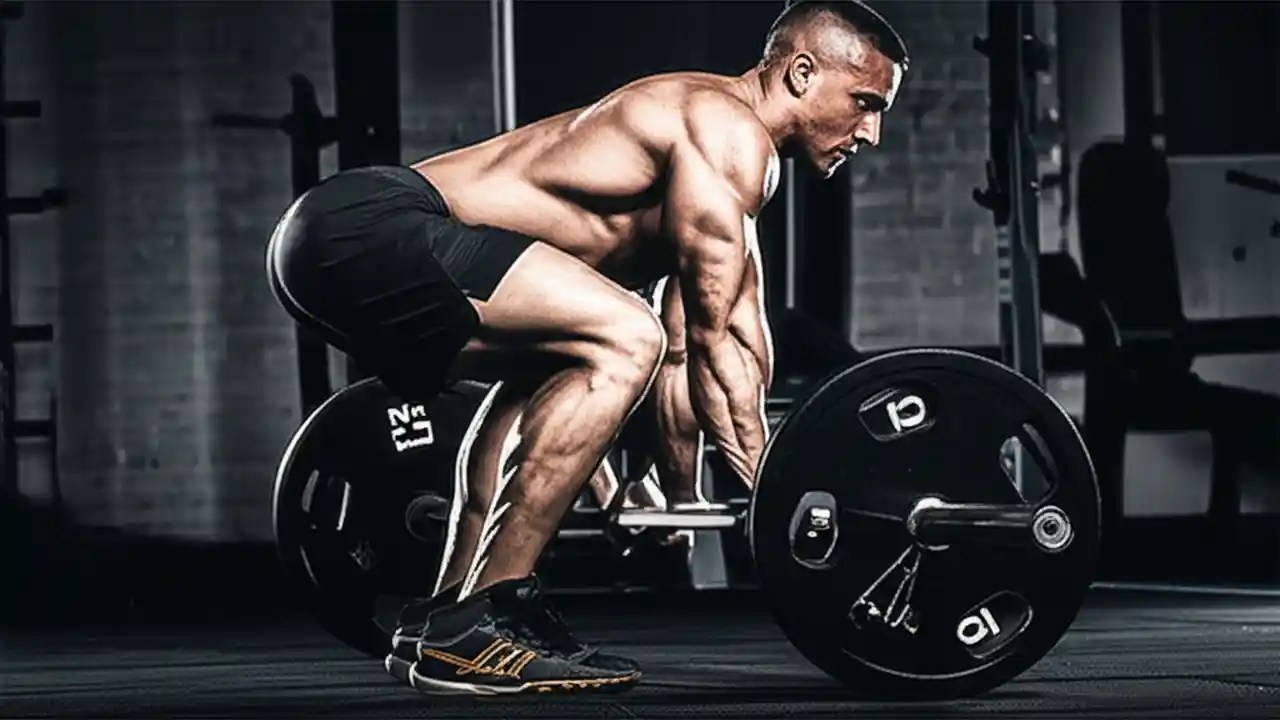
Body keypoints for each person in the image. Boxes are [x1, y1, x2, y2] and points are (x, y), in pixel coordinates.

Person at [266, 0, 906, 697]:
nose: (870, 132)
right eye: (865, 102)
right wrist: (778, 493)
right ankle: (485, 614)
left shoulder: (724, 156)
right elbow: (711, 338)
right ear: (801, 72)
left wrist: (676, 496)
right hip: (368, 227)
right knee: (621, 334)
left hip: (331, 242)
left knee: (569, 360)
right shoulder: (723, 127)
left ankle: (447, 616)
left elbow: (689, 356)